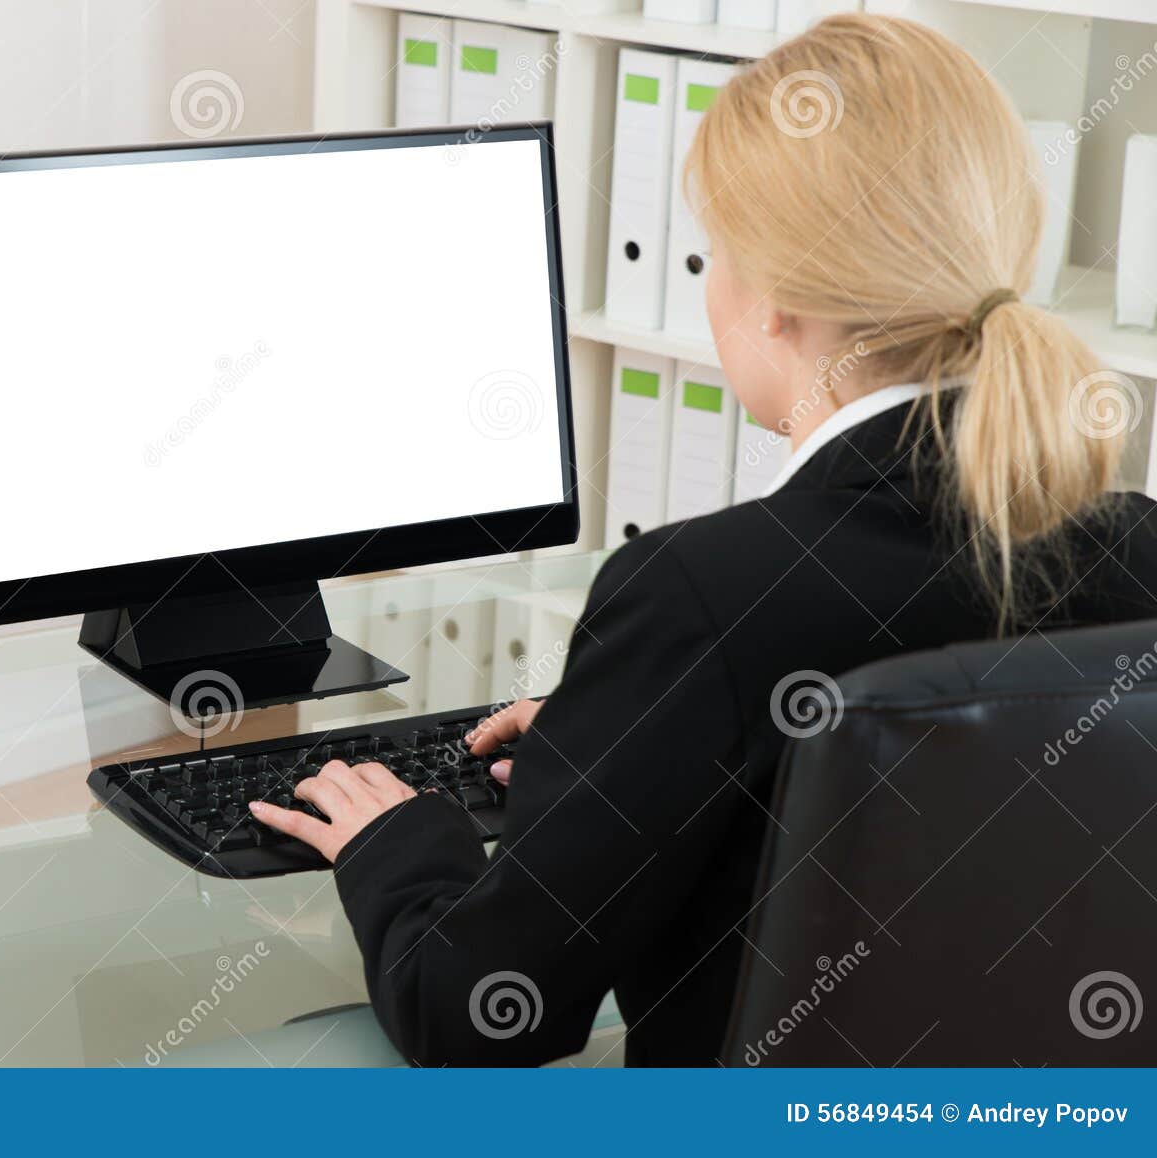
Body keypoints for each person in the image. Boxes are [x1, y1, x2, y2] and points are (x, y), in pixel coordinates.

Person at [249, 13, 1157, 1065]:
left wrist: (398, 846)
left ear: (770, 299)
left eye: (715, 251)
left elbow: (480, 1016)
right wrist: (623, 731)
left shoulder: (702, 595)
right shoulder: (1133, 544)